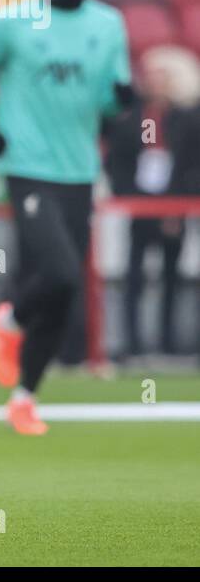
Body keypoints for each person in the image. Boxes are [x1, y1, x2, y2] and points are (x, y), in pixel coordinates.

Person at [0, 0, 132, 435]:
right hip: (28, 168)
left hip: (79, 171)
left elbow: (109, 99)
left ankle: (25, 397)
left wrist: (122, 101)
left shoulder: (108, 23)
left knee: (61, 291)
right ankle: (8, 322)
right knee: (61, 274)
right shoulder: (14, 21)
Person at [103, 46, 200, 360]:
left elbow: (190, 164)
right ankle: (132, 345)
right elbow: (117, 160)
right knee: (134, 275)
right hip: (139, 205)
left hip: (173, 205)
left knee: (172, 275)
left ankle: (169, 343)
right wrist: (129, 196)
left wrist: (177, 204)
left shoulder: (185, 119)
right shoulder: (130, 117)